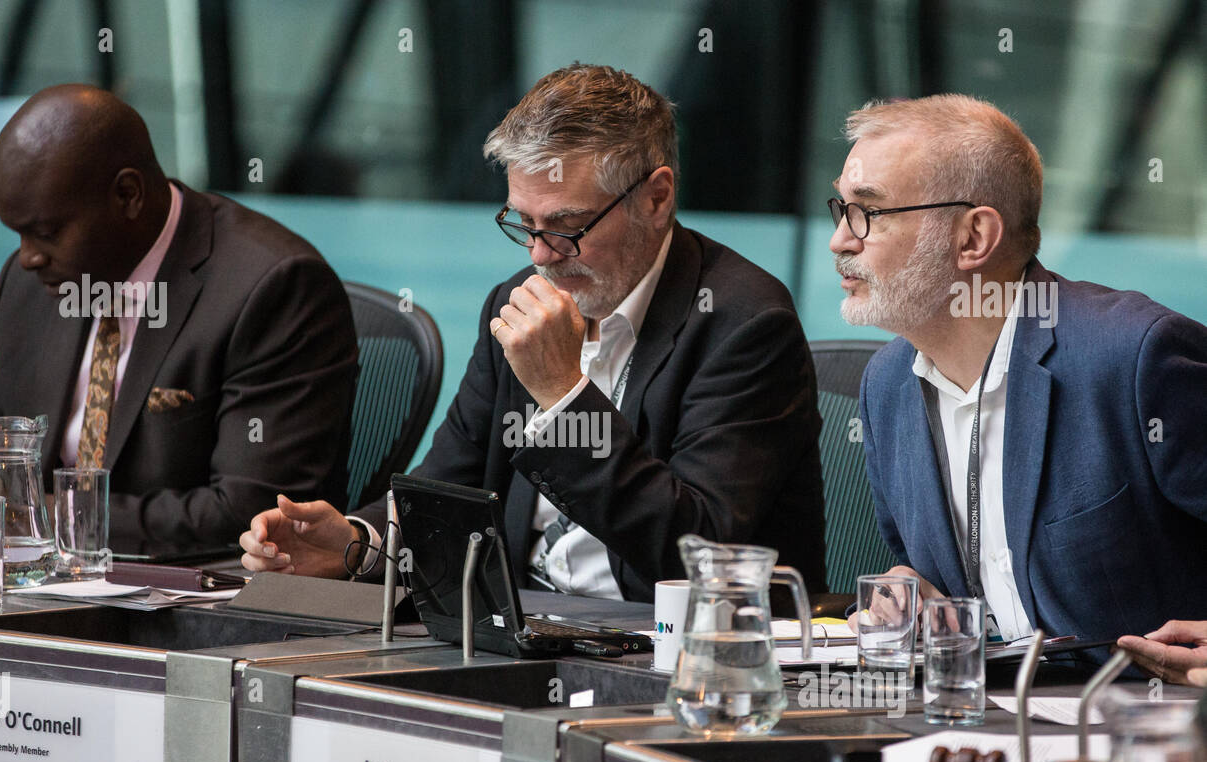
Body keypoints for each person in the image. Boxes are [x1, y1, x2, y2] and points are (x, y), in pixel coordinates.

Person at [240, 64, 826, 602]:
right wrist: (358, 545)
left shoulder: (742, 323)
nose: (542, 255)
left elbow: (697, 551)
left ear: (657, 197)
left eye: (568, 226)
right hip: (527, 627)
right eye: (525, 224)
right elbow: (450, 485)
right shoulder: (516, 300)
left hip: (669, 649)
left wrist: (563, 396)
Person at [832, 94, 1207, 676]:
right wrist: (913, 596)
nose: (841, 240)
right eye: (841, 209)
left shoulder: (1136, 356)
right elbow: (945, 583)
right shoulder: (887, 387)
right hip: (980, 725)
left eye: (869, 213)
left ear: (973, 237)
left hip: (1151, 734)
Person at [0, 84, 357, 554]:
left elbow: (253, 514)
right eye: (17, 233)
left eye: (44, 231)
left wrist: (44, 515)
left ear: (127, 195)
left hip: (192, 606)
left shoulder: (274, 289)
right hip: (38, 589)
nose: (26, 258)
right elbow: (3, 474)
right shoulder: (32, 288)